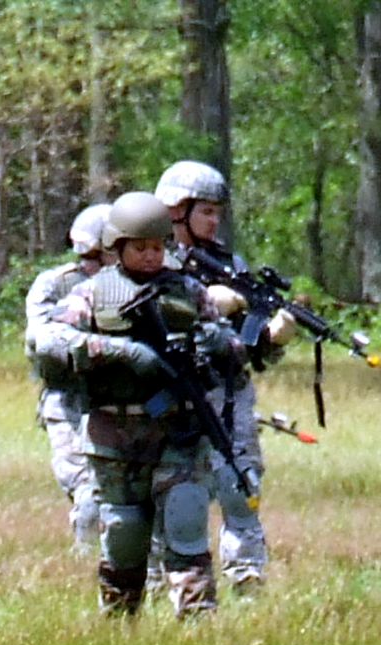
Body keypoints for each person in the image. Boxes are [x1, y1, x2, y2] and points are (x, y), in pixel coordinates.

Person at [28, 191, 244, 617]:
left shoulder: (188, 291)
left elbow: (233, 345)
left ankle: (198, 621)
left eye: (157, 247)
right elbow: (47, 341)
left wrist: (212, 342)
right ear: (118, 246)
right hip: (116, 435)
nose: (150, 256)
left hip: (179, 432)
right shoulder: (91, 294)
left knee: (186, 518)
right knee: (125, 531)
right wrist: (120, 352)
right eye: (140, 247)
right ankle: (118, 620)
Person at [156, 160, 295, 592]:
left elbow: (248, 349)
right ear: (176, 210)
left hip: (227, 394)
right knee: (171, 492)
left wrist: (272, 338)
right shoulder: (150, 259)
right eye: (206, 211)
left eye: (217, 212)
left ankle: (246, 572)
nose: (215, 221)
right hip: (172, 396)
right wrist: (203, 305)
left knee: (241, 482)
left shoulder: (228, 265)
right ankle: (159, 577)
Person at [24, 202, 114, 552]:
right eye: (85, 257)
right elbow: (42, 341)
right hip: (68, 401)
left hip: (120, 401)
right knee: (88, 491)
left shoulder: (138, 286)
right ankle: (86, 562)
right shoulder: (54, 285)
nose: (88, 265)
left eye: (97, 256)